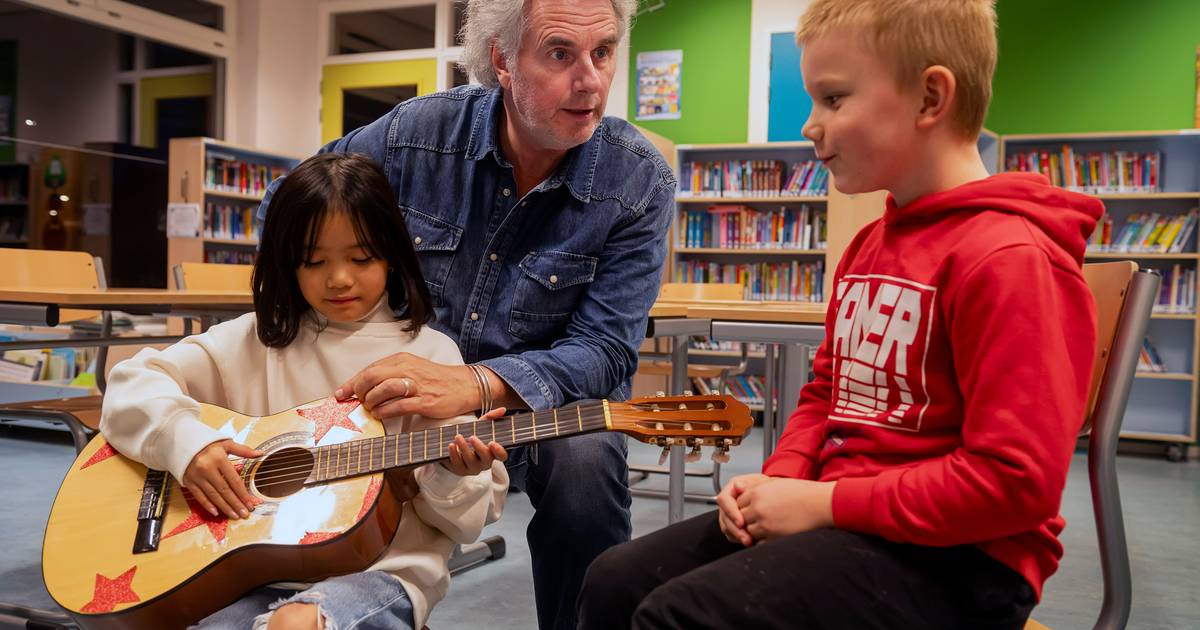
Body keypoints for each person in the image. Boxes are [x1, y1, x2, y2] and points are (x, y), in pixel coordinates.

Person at [577, 1, 1104, 628]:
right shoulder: (871, 244)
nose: (809, 125)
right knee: (612, 581)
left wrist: (826, 502)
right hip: (850, 521)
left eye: (833, 99)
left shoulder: (1012, 258)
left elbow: (1013, 484)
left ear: (930, 98)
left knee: (683, 616)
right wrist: (779, 480)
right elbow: (828, 391)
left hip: (965, 560)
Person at [256, 1, 670, 628]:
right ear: (503, 60)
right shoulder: (412, 138)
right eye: (560, 53)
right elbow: (284, 211)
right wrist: (336, 346)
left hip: (539, 414)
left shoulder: (640, 182)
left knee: (586, 463)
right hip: (397, 401)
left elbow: (606, 351)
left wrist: (476, 384)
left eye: (603, 52)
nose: (590, 80)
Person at [100, 153, 509, 630]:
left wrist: (452, 475)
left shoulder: (429, 356)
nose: (339, 278)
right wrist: (186, 445)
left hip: (380, 574)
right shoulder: (257, 338)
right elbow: (133, 379)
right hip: (245, 571)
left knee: (296, 625)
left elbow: (465, 524)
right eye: (314, 261)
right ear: (287, 263)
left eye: (361, 258)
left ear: (393, 255)